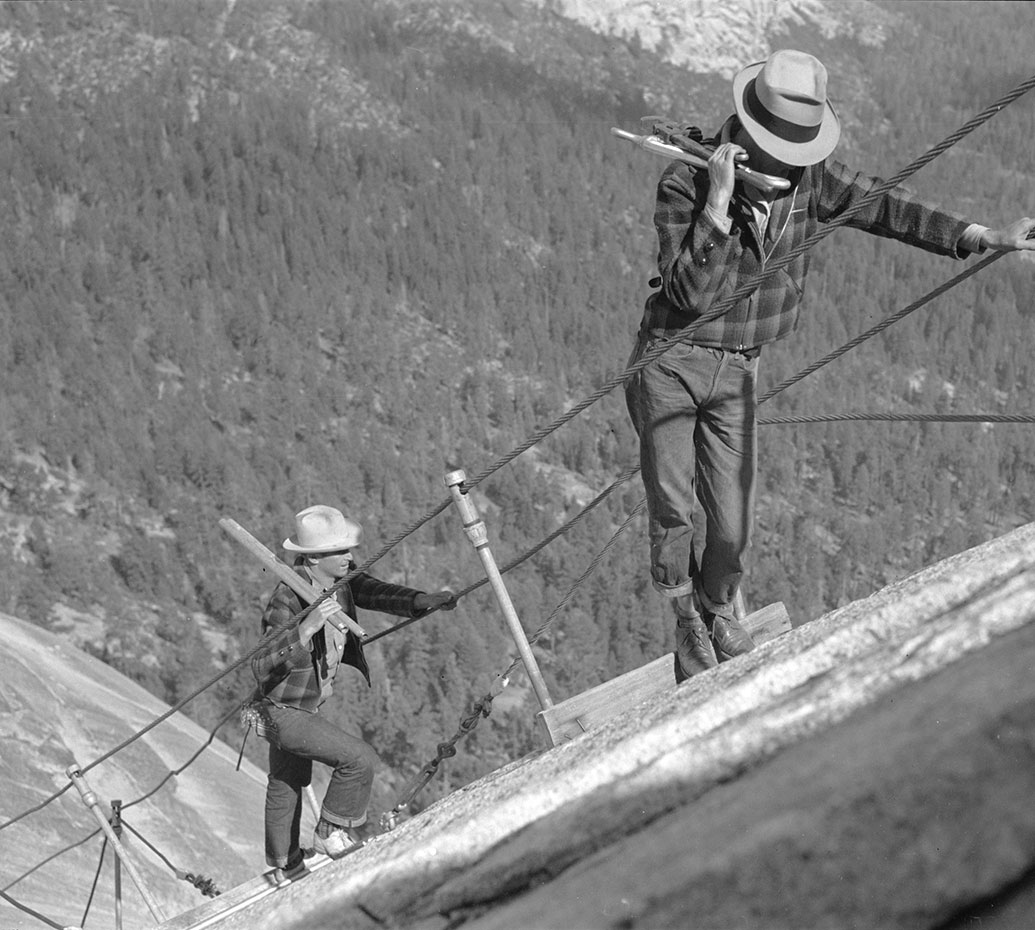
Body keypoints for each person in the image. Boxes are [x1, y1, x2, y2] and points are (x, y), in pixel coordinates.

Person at [625, 49, 1035, 683]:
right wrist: (719, 203)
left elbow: (889, 208)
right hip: (669, 361)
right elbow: (687, 296)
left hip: (739, 367)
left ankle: (717, 607)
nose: (786, 160)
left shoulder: (810, 179)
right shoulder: (688, 180)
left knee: (731, 523)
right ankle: (687, 622)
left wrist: (982, 236)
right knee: (674, 509)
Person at [249, 504, 455, 879]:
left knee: (287, 781)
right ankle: (330, 832)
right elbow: (261, 664)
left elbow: (373, 591)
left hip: (303, 704)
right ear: (313, 558)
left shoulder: (339, 582)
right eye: (339, 551)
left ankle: (284, 864)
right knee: (358, 760)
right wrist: (306, 629)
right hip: (282, 710)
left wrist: (419, 601)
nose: (348, 557)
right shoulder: (287, 599)